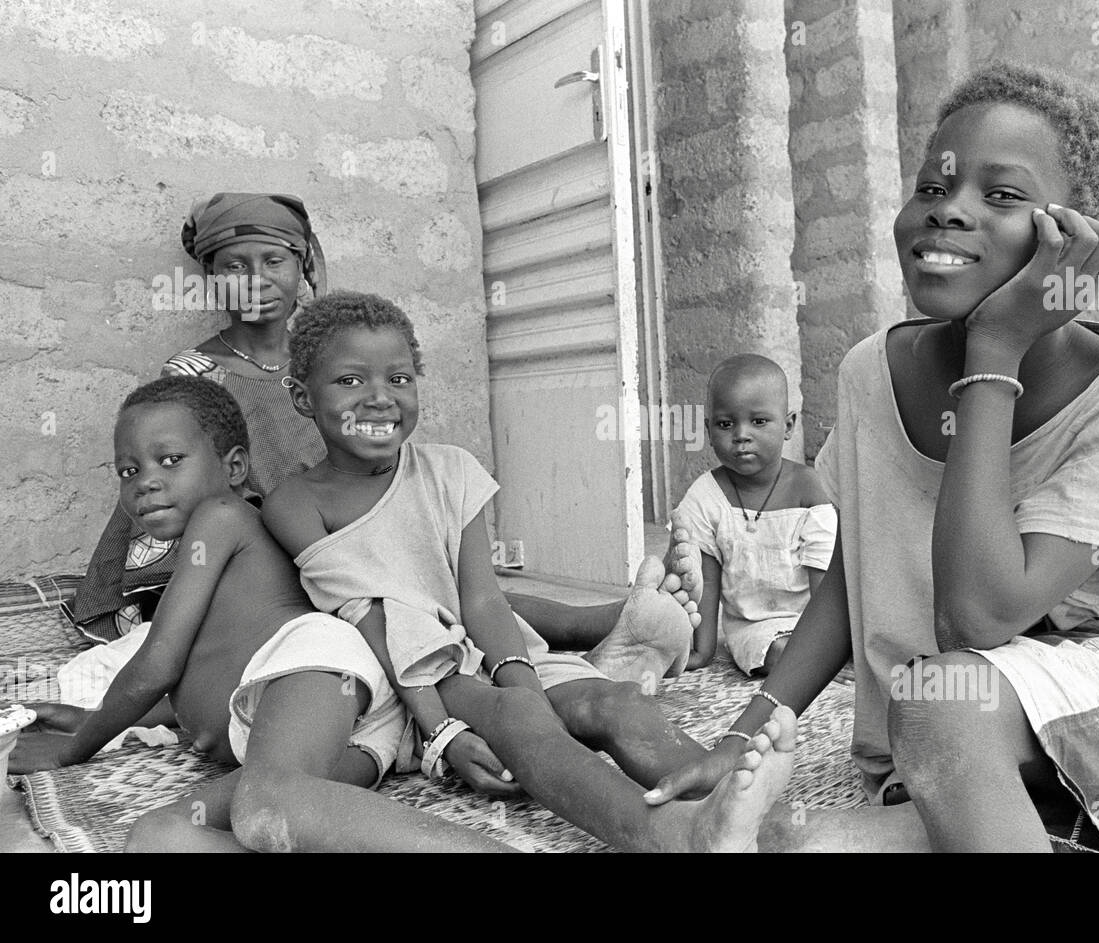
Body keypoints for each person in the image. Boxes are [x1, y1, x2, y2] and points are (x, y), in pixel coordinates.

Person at [647, 62, 1099, 853]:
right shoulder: (870, 372)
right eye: (933, 188)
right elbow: (852, 577)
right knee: (831, 824)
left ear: (1077, 243)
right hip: (950, 723)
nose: (949, 213)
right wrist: (746, 730)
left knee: (936, 700)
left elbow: (979, 612)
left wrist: (994, 353)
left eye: (1001, 196)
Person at [261, 291, 796, 851]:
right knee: (521, 716)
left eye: (399, 379)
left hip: (491, 647)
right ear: (302, 396)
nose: (378, 399)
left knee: (616, 703)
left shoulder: (451, 471)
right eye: (349, 381)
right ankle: (663, 833)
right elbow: (372, 617)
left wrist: (521, 676)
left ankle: (753, 818)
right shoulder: (295, 504)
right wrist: (445, 730)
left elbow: (485, 600)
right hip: (415, 676)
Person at [11, 376, 506, 851]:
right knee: (161, 836)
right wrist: (97, 719)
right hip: (343, 734)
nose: (146, 483)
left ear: (234, 468)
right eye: (129, 471)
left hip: (315, 671)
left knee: (267, 802)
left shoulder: (220, 517)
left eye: (170, 460)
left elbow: (156, 666)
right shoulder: (201, 555)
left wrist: (73, 751)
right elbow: (201, 675)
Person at [71, 193, 328, 644]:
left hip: (330, 543)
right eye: (234, 266)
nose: (256, 281)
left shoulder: (329, 363)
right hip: (244, 555)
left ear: (300, 268)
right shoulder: (194, 372)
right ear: (210, 277)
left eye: (273, 261)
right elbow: (178, 486)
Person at [667, 354, 835, 675]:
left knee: (865, 641)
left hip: (816, 618)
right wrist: (703, 650)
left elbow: (824, 583)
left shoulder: (810, 490)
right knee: (783, 656)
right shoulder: (706, 497)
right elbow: (703, 578)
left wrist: (828, 643)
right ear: (708, 429)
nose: (741, 435)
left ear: (788, 426)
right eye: (725, 424)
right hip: (755, 626)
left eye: (758, 421)